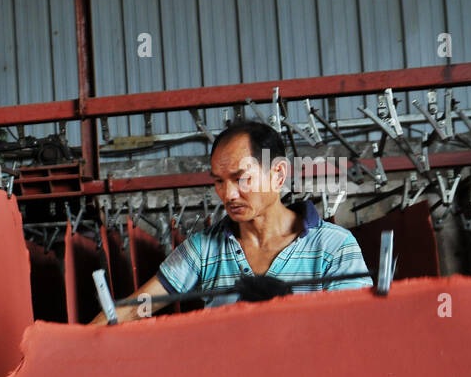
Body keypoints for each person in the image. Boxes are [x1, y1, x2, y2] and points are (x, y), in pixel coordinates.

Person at [92, 120, 372, 324]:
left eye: (241, 179)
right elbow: (137, 306)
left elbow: (353, 327)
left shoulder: (335, 247)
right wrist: (72, 346)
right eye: (218, 181)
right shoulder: (203, 250)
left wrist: (288, 312)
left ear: (278, 174)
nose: (228, 194)